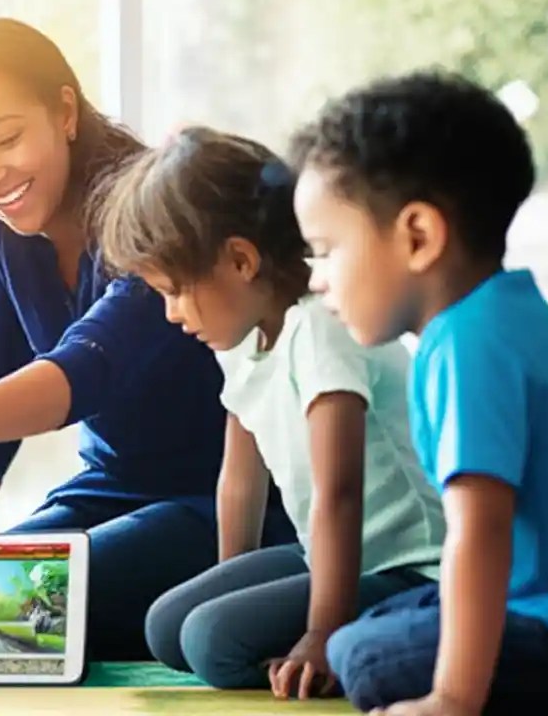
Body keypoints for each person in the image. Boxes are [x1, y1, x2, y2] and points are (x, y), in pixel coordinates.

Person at [0, 17, 295, 660]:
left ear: (66, 112)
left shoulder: (154, 207)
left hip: (216, 498)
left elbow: (93, 365)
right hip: (107, 488)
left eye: (6, 139)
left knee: (17, 610)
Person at [290, 70, 548, 715]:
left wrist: (451, 699)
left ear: (418, 237)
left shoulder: (469, 344)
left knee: (364, 655)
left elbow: (480, 527)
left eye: (326, 250)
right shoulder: (503, 316)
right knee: (379, 626)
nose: (316, 279)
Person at [98, 125, 444, 698]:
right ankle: (306, 651)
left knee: (211, 641)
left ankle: (346, 656)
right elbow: (240, 481)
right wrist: (227, 584)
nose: (170, 314)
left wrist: (322, 631)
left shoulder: (322, 325)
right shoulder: (239, 341)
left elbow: (339, 491)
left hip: (410, 569)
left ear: (240, 260)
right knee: (168, 626)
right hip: (331, 556)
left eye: (174, 291)